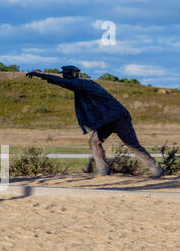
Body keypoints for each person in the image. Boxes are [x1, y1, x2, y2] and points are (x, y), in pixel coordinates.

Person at [27, 65, 165, 177]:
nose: (64, 76)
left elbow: (64, 83)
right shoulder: (81, 85)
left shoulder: (84, 84)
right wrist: (43, 75)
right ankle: (103, 171)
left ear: (70, 75)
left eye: (65, 74)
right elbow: (65, 83)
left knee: (132, 144)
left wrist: (42, 75)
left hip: (118, 117)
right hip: (107, 120)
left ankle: (156, 169)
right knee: (94, 141)